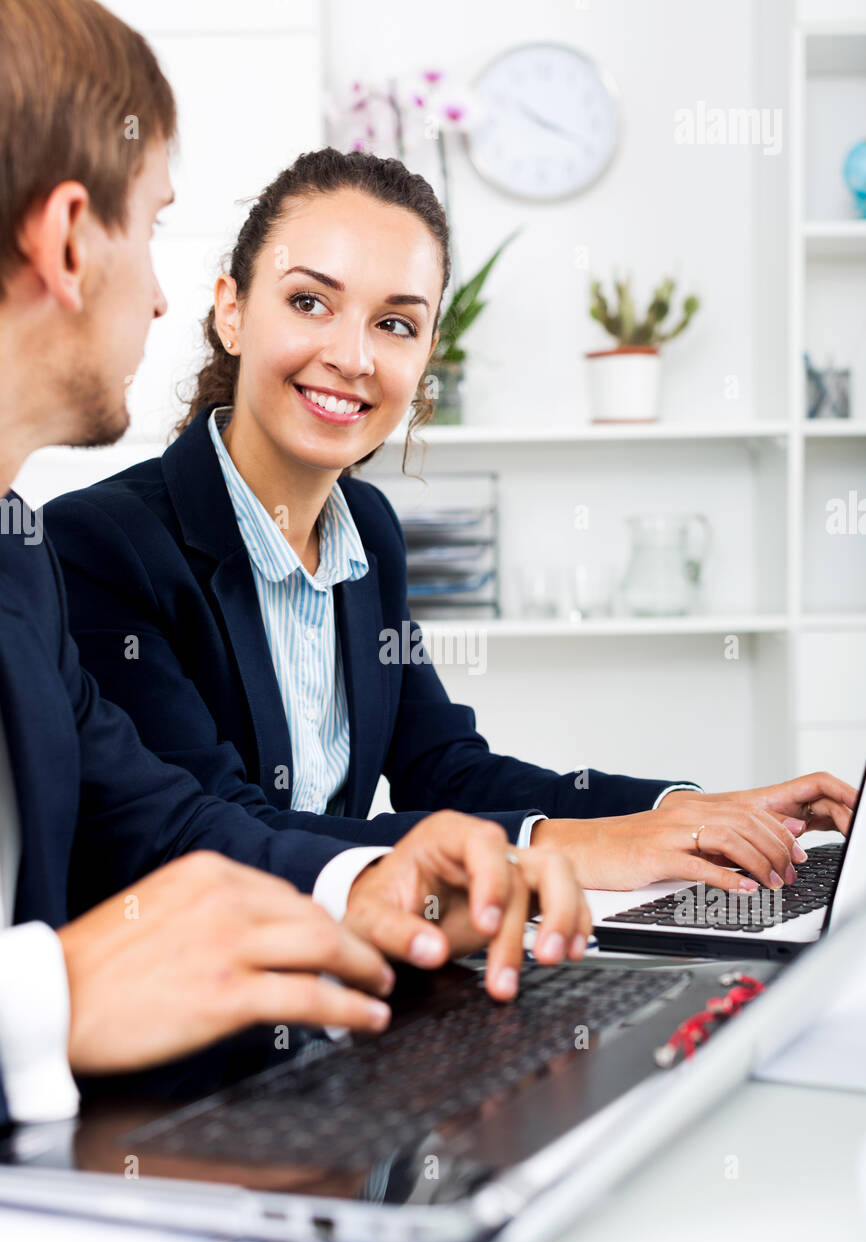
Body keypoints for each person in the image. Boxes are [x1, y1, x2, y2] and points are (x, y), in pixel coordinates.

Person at [0, 0, 590, 1134]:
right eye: (153, 226)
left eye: (398, 324)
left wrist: (376, 882)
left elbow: (166, 820)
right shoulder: (86, 550)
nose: (163, 295)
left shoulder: (14, 558)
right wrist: (49, 1002)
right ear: (72, 237)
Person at [45, 148, 857, 911]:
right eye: (309, 302)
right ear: (232, 311)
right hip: (201, 1028)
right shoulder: (100, 547)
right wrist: (562, 851)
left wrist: (684, 811)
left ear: (428, 350)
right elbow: (221, 835)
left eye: (395, 324)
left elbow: (443, 767)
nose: (353, 356)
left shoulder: (368, 528)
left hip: (350, 987)